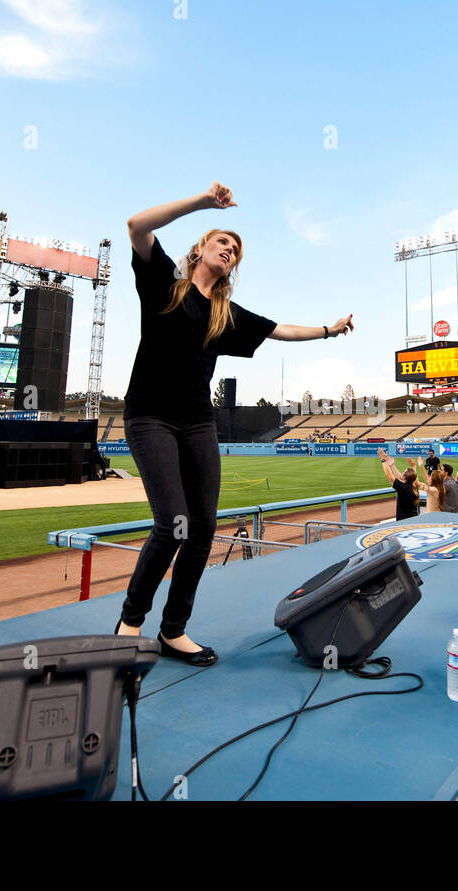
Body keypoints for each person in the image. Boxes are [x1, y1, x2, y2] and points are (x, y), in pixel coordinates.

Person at [115, 182, 354, 666]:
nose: (229, 250)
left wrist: (329, 329)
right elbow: (137, 225)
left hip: (198, 422)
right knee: (172, 525)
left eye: (235, 251)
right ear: (200, 248)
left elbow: (281, 330)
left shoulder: (226, 313)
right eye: (222, 242)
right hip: (150, 417)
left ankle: (173, 631)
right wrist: (203, 202)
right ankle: (130, 622)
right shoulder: (163, 283)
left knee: (202, 527)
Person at [378, 448, 419, 521]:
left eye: (403, 472)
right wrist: (392, 465)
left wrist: (383, 459)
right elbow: (400, 477)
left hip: (404, 521)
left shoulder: (404, 488)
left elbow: (389, 475)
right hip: (413, 518)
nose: (402, 473)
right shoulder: (413, 485)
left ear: (405, 477)